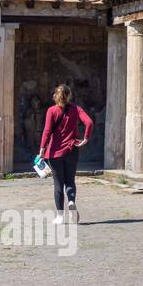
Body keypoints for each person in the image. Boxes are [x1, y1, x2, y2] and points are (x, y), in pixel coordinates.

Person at [38, 84, 93, 225]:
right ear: (69, 96)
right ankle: (71, 201)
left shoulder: (51, 110)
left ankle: (60, 217)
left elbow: (47, 131)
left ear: (56, 96)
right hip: (71, 151)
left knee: (58, 184)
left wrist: (42, 149)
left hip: (54, 153)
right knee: (70, 181)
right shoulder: (76, 109)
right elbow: (89, 123)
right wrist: (85, 138)